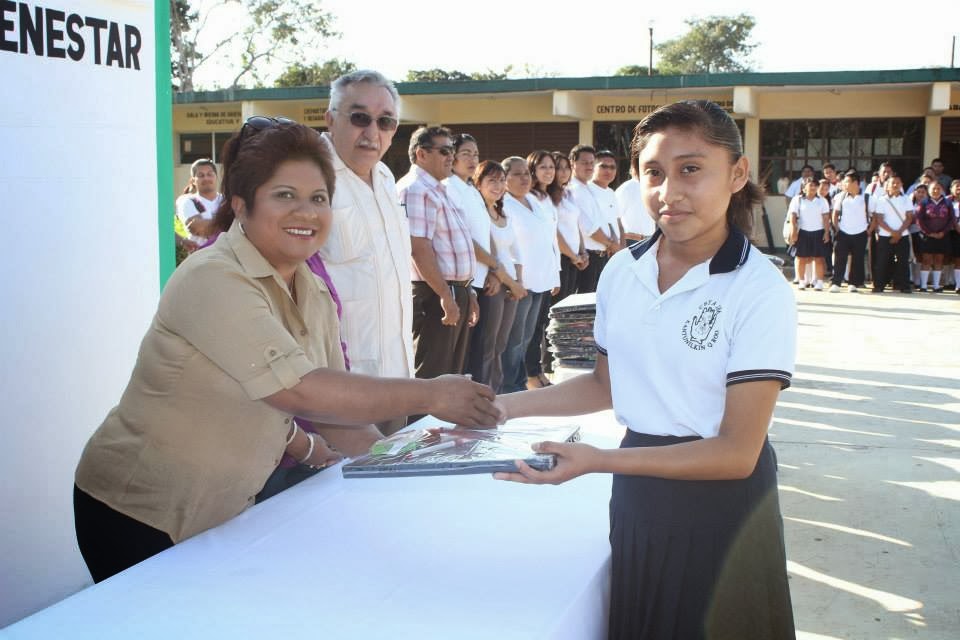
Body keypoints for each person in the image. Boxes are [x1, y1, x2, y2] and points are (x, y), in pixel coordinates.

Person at [73, 118, 501, 583]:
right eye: (284, 195)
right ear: (241, 205)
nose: (306, 212)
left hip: (222, 509)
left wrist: (399, 467)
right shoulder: (213, 276)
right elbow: (301, 391)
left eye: (319, 198)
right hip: (136, 508)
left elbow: (339, 415)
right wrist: (430, 395)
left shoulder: (311, 287)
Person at [494, 100, 796, 640]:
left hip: (722, 509)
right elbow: (604, 385)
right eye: (653, 172)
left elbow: (735, 452)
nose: (669, 190)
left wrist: (598, 460)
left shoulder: (758, 288)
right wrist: (500, 408)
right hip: (640, 495)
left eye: (691, 168)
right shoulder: (622, 271)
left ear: (738, 173)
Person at [318, 69, 413, 434]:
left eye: (386, 121)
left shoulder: (387, 178)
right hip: (342, 385)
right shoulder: (311, 177)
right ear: (330, 119)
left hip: (397, 374)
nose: (373, 133)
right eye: (359, 118)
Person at [397, 126, 479, 379]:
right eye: (444, 151)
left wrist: (468, 291)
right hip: (435, 293)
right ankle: (425, 421)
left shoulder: (436, 188)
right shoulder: (416, 189)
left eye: (452, 150)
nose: (451, 157)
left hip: (454, 289)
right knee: (432, 376)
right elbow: (418, 247)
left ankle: (440, 420)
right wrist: (445, 294)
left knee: (450, 375)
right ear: (421, 155)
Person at [446, 133, 509, 379]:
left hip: (483, 279)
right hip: (463, 281)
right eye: (465, 154)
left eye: (475, 154)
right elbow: (463, 239)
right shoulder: (449, 187)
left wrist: (494, 270)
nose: (472, 159)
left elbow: (486, 233)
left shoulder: (471, 189)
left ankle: (482, 403)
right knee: (463, 355)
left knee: (484, 348)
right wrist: (495, 265)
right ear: (452, 157)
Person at [500, 156, 560, 394]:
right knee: (513, 340)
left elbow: (549, 237)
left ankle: (520, 382)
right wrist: (515, 279)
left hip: (542, 278)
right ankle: (509, 386)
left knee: (527, 337)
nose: (525, 178)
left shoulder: (534, 200)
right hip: (520, 282)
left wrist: (555, 274)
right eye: (517, 174)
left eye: (526, 173)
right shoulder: (503, 204)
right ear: (505, 179)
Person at [469, 160, 526, 389]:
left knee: (502, 344)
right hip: (494, 283)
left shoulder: (503, 212)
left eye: (502, 180)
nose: (498, 185)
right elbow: (487, 252)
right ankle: (482, 393)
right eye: (491, 180)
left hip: (512, 285)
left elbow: (516, 252)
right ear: (478, 183)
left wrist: (518, 281)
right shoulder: (478, 213)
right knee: (487, 345)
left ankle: (497, 392)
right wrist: (509, 282)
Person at [525, 150, 562, 389]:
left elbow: (552, 240)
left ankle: (536, 371)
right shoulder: (528, 198)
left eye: (551, 167)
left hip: (547, 271)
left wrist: (555, 272)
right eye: (543, 167)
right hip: (530, 274)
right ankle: (530, 375)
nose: (549, 171)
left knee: (539, 326)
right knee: (527, 332)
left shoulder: (548, 197)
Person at [568, 144, 618, 292]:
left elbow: (604, 221)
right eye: (584, 162)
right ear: (573, 163)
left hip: (600, 255)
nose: (589, 166)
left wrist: (612, 243)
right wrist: (610, 244)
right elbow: (588, 228)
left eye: (591, 163)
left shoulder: (587, 188)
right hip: (587, 257)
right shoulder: (574, 190)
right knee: (582, 309)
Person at [871, 175, 914, 293]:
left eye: (898, 183)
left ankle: (904, 286)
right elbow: (879, 219)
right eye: (892, 183)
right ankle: (879, 285)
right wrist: (892, 232)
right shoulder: (882, 200)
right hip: (885, 235)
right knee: (882, 261)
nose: (895, 185)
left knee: (903, 261)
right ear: (887, 186)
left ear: (901, 185)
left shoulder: (906, 199)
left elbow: (909, 218)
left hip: (903, 234)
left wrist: (899, 232)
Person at [829, 170, 870, 293]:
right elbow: (835, 214)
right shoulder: (840, 196)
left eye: (846, 182)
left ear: (855, 183)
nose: (844, 184)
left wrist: (869, 231)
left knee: (857, 259)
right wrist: (837, 229)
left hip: (861, 232)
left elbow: (875, 216)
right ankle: (836, 282)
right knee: (840, 258)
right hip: (843, 232)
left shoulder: (867, 197)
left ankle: (853, 283)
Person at [787, 176, 831, 290]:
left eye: (815, 185)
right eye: (810, 185)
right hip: (803, 232)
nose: (813, 187)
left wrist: (826, 232)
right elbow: (793, 216)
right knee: (801, 258)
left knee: (819, 258)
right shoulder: (797, 199)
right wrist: (793, 231)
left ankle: (819, 282)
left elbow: (826, 218)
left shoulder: (822, 200)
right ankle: (802, 281)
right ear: (804, 187)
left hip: (818, 232)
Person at [175, 158, 223, 250]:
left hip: (227, 258)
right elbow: (198, 228)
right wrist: (228, 224)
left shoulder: (226, 200)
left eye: (210, 174)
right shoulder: (187, 201)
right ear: (193, 180)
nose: (206, 178)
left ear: (216, 177)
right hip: (201, 258)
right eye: (201, 175)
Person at [914, 181, 953, 292]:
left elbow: (951, 219)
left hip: (942, 235)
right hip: (927, 235)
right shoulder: (924, 202)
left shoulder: (947, 202)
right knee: (926, 260)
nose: (935, 191)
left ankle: (936, 285)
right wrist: (929, 232)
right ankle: (923, 286)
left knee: (939, 260)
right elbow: (919, 219)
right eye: (933, 189)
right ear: (928, 191)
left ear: (942, 190)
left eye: (938, 188)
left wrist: (943, 232)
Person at [616, 163, 656, 243]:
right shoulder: (627, 188)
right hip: (632, 241)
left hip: (650, 241)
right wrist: (632, 236)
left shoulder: (651, 186)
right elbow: (613, 218)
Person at [948, 179, 960, 294]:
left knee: (958, 259)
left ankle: (958, 284)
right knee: (946, 258)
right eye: (956, 186)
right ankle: (948, 282)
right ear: (951, 189)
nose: (958, 189)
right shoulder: (946, 201)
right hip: (948, 232)